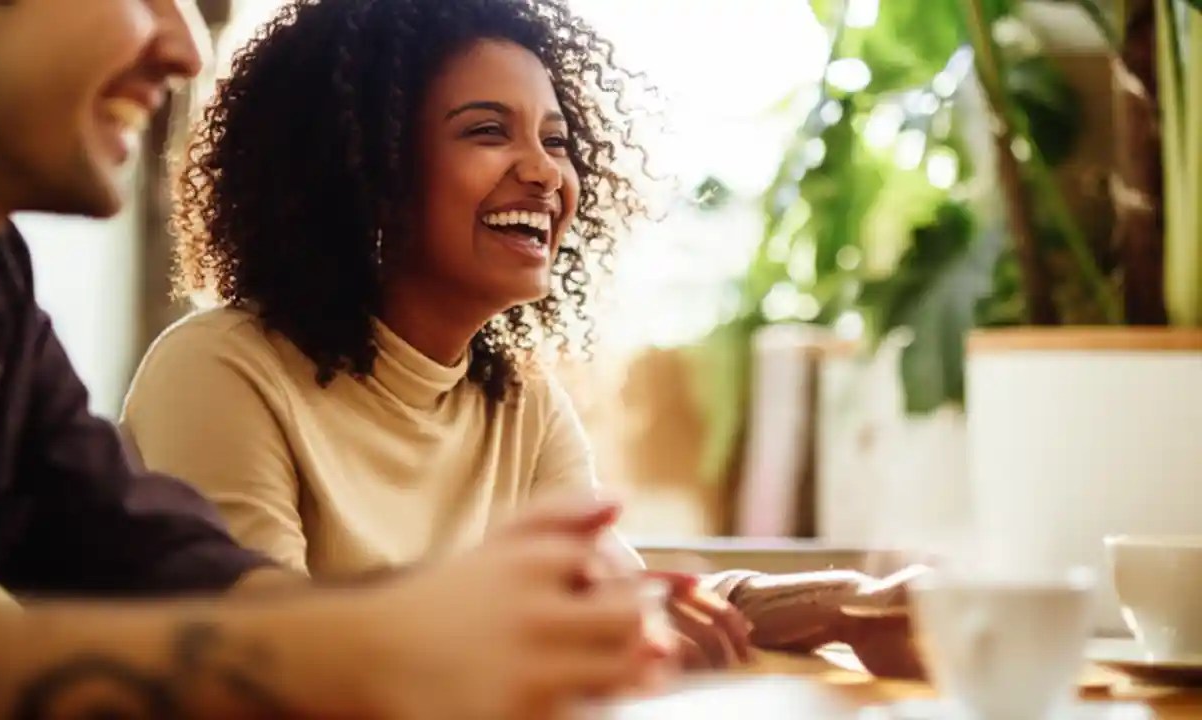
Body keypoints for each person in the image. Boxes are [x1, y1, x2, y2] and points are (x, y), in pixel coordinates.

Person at [121, 0, 922, 673]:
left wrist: (854, 605)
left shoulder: (517, 398)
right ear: (364, 168)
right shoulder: (221, 368)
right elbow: (265, 650)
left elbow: (636, 600)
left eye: (557, 140)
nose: (545, 172)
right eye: (487, 131)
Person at [0, 0, 667, 716]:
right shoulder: (222, 362)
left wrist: (411, 635)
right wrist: (373, 650)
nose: (187, 49)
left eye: (556, 140)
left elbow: (152, 559)